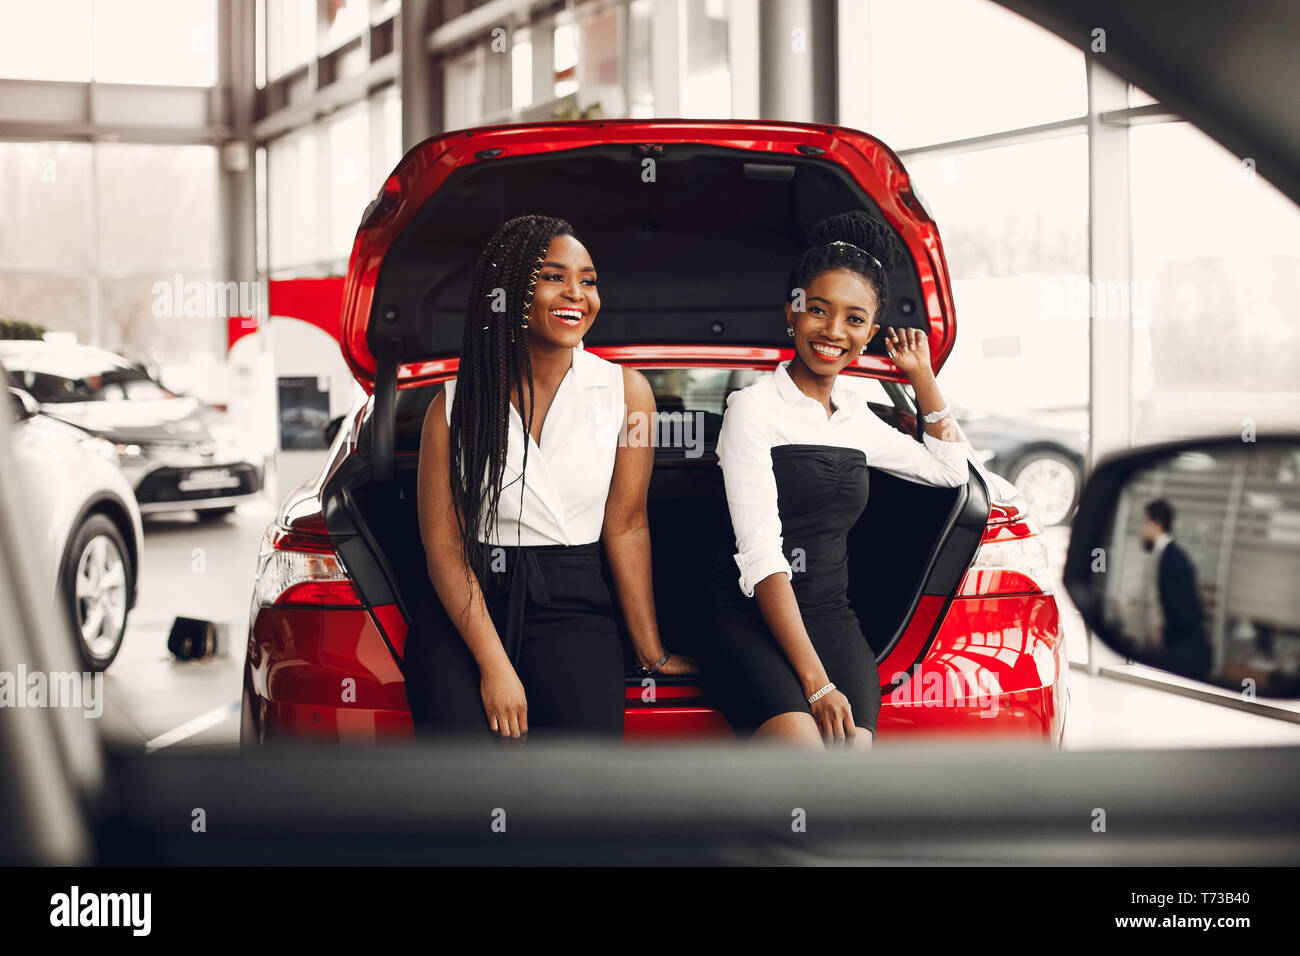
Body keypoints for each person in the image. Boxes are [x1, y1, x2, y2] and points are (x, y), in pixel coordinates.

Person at [402, 214, 696, 743]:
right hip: (467, 607)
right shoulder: (451, 406)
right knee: (460, 781)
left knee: (578, 782)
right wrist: (494, 666)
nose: (577, 294)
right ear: (511, 290)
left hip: (572, 603)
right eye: (554, 277)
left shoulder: (627, 394)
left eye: (588, 280)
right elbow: (444, 547)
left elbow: (627, 526)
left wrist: (651, 651)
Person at [700, 211, 972, 750]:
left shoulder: (855, 416)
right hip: (751, 613)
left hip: (830, 614)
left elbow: (949, 470)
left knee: (853, 754)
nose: (833, 331)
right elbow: (761, 554)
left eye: (854, 319)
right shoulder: (752, 409)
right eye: (818, 310)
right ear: (792, 313)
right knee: (803, 747)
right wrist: (817, 684)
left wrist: (922, 376)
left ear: (870, 333)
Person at [1139, 499, 1212, 679]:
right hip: (1184, 648)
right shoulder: (1169, 555)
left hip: (1186, 653)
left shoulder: (1171, 559)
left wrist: (1162, 633)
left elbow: (1183, 612)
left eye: (1145, 523)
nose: (1142, 530)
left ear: (1156, 524)